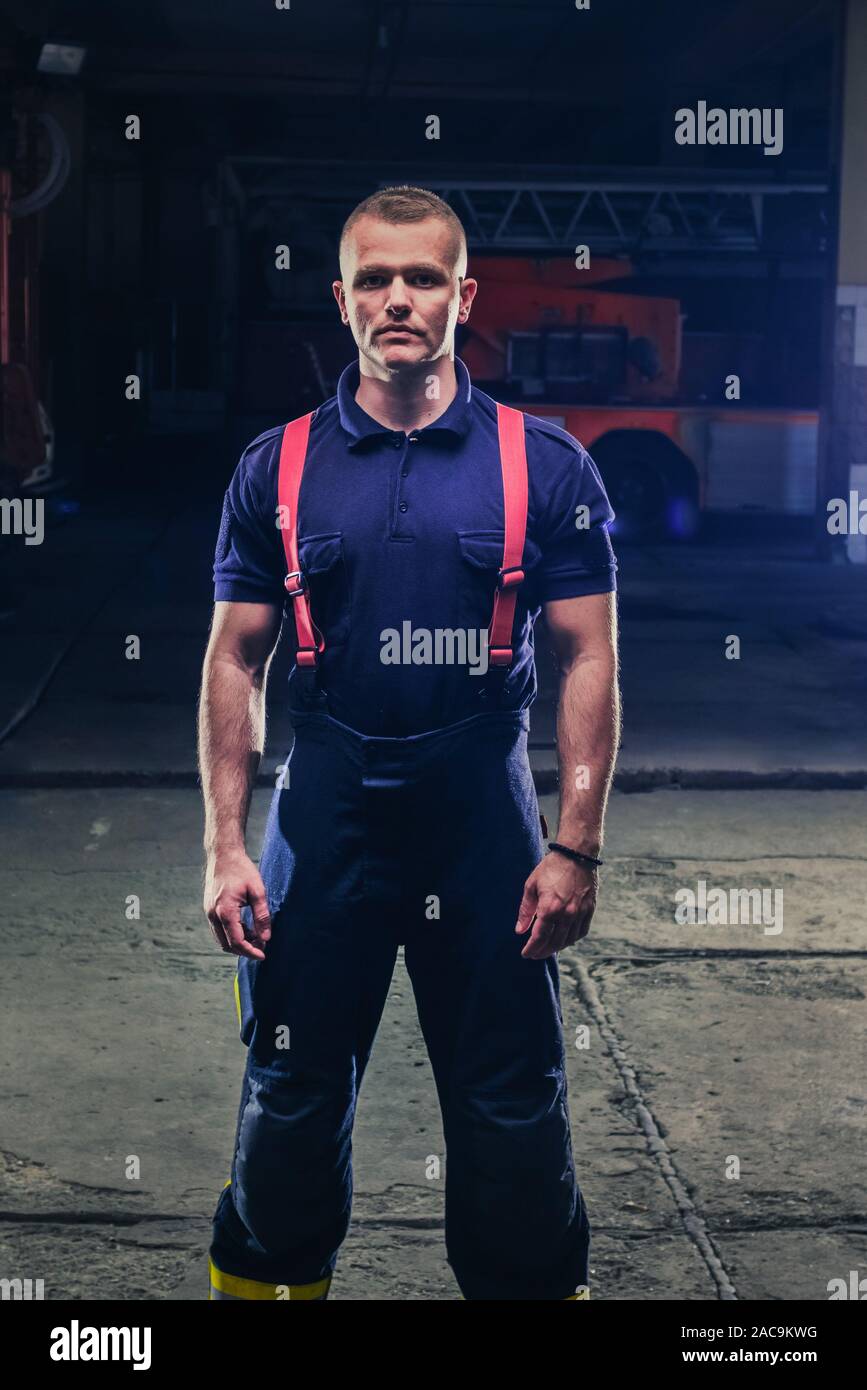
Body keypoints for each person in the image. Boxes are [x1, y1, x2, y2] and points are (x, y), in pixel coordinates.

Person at [199, 185, 620, 1301]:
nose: (399, 298)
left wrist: (575, 846)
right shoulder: (276, 468)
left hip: (481, 814)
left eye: (423, 277)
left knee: (512, 1106)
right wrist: (226, 846)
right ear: (340, 300)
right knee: (288, 1095)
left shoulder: (547, 465)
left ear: (462, 296)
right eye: (375, 278)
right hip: (327, 806)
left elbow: (587, 660)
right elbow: (235, 659)